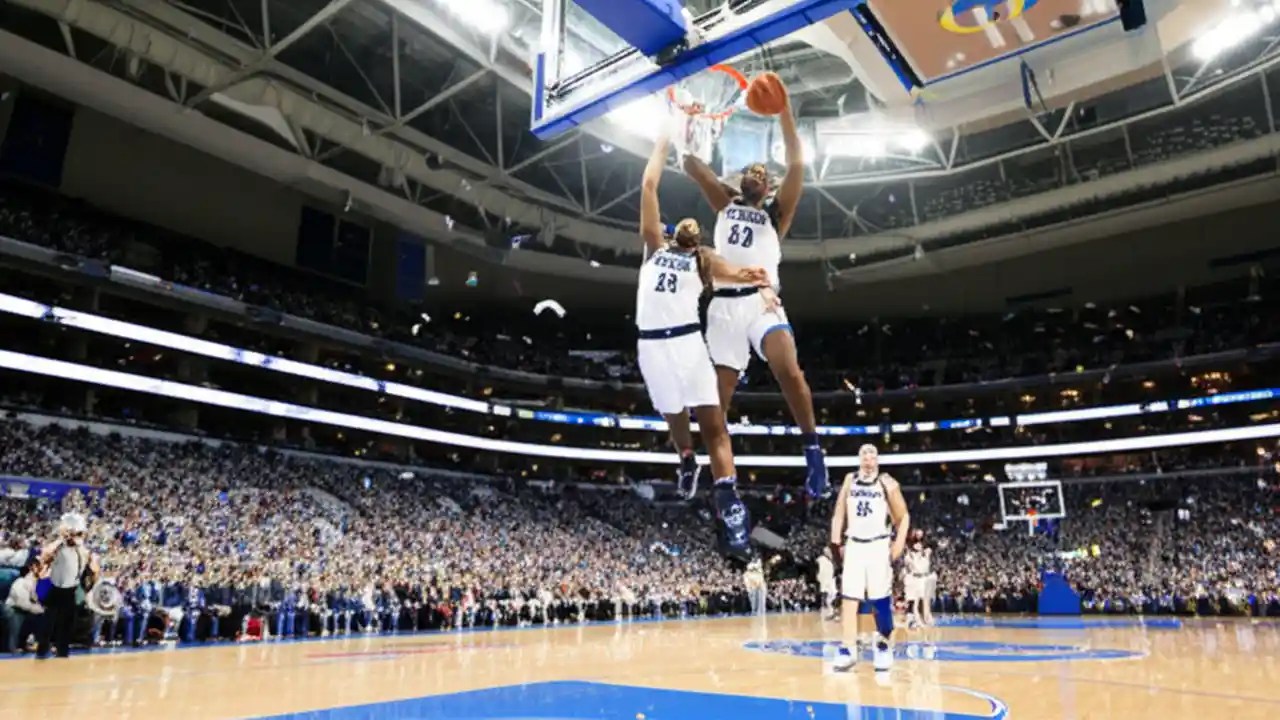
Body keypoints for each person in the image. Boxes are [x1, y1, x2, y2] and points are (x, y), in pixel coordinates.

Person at [680, 74, 828, 500]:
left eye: (764, 173)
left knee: (789, 370)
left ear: (768, 189)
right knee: (714, 405)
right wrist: (692, 123)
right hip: (724, 308)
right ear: (742, 182)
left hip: (763, 304)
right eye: (752, 170)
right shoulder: (724, 205)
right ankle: (704, 470)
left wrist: (784, 113)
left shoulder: (777, 215)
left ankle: (813, 452)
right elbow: (691, 165)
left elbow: (797, 164)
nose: (757, 172)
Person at [638, 127, 769, 559]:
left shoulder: (698, 259)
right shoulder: (662, 250)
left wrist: (762, 278)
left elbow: (744, 272)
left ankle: (727, 492)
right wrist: (661, 144)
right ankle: (689, 462)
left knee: (707, 419)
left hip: (681, 343)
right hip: (659, 345)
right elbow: (649, 186)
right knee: (677, 413)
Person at [829, 444, 910, 672]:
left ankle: (883, 644)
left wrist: (898, 544)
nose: (868, 457)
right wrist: (835, 541)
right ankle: (847, 647)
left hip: (878, 543)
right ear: (858, 459)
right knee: (849, 597)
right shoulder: (849, 480)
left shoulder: (887, 483)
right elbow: (839, 513)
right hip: (854, 543)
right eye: (863, 453)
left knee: (880, 600)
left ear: (878, 460)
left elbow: (903, 517)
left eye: (872, 454)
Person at [37, 513, 94, 659]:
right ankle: (42, 651)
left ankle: (62, 653)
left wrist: (77, 539)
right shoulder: (58, 548)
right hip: (55, 588)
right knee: (48, 624)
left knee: (66, 626)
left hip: (71, 590)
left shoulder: (83, 551)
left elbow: (91, 569)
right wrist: (61, 539)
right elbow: (45, 555)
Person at [5, 561, 44, 654]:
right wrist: (39, 609)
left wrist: (40, 608)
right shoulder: (20, 583)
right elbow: (22, 603)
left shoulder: (34, 582)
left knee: (38, 619)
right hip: (14, 609)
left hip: (25, 610)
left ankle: (27, 644)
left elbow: (35, 598)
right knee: (15, 627)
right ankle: (13, 649)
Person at [903, 532, 932, 628]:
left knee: (923, 600)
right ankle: (913, 620)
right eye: (916, 544)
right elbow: (907, 565)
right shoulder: (909, 556)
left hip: (923, 579)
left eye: (920, 544)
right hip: (913, 578)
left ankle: (924, 618)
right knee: (913, 601)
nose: (918, 545)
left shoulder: (925, 554)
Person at [816, 547, 838, 621]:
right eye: (827, 551)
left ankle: (833, 612)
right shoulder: (822, 559)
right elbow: (821, 571)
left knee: (832, 597)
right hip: (826, 582)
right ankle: (831, 613)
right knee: (829, 598)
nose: (829, 552)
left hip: (831, 581)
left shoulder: (830, 560)